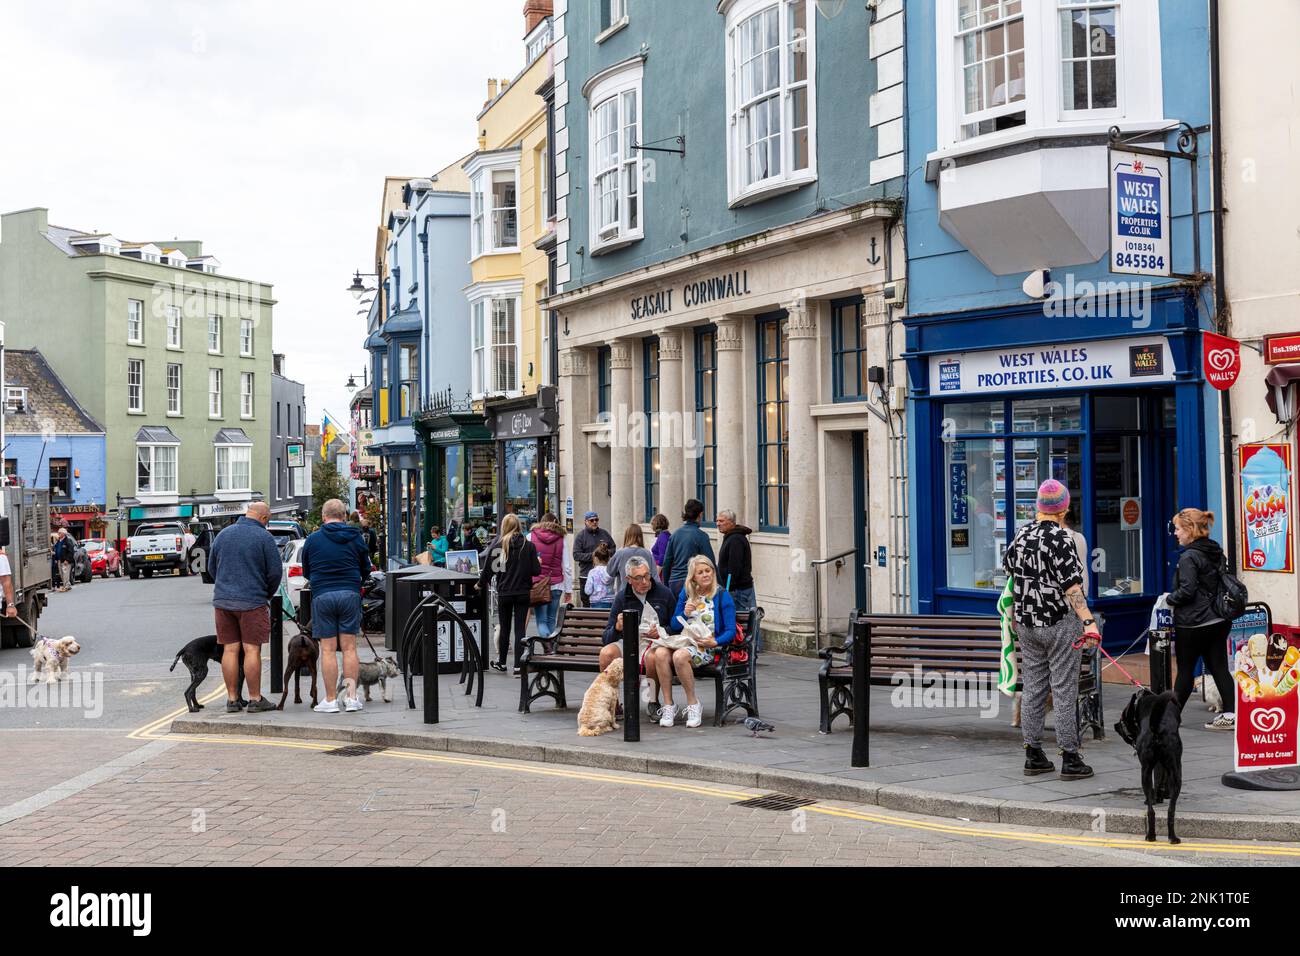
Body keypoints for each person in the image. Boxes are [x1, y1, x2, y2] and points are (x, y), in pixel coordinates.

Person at [1001, 480, 1101, 780]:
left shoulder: (1021, 534)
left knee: (1033, 687)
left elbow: (1008, 571)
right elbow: (1072, 585)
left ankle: (1033, 754)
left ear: (1038, 507)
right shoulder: (1062, 538)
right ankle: (1070, 756)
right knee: (1064, 689)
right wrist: (1088, 621)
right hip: (1059, 622)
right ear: (1064, 508)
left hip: (1028, 623)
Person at [207, 502, 282, 713]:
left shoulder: (223, 535)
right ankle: (255, 698)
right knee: (251, 649)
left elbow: (212, 568)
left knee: (229, 649)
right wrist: (265, 593)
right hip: (252, 602)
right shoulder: (264, 538)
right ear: (264, 518)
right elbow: (275, 573)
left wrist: (224, 587)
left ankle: (232, 699)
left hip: (223, 602)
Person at [1166, 508, 1236, 731]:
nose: (1175, 533)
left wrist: (1169, 599)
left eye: (1178, 529)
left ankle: (1171, 717)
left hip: (1193, 622)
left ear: (1189, 529)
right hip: (1219, 619)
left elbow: (1187, 591)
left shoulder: (1188, 556)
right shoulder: (1215, 550)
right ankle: (1230, 715)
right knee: (1219, 668)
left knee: (1185, 670)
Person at [303, 498, 372, 714]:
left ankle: (331, 700)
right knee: (350, 648)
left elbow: (306, 571)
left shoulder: (313, 540)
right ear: (344, 516)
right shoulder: (356, 537)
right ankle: (351, 698)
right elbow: (366, 569)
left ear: (324, 517)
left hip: (323, 595)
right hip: (349, 594)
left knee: (328, 649)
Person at [655, 555, 738, 728]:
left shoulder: (722, 596)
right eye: (700, 572)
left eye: (708, 570)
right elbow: (674, 625)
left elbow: (730, 630)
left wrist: (715, 642)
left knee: (679, 657)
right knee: (660, 653)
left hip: (706, 647)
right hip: (685, 641)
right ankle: (668, 705)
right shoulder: (687, 593)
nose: (705, 574)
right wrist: (684, 612)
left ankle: (693, 704)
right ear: (693, 577)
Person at [479, 513, 541, 674]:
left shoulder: (499, 546)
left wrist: (480, 584)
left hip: (505, 592)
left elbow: (490, 571)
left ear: (504, 527)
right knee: (520, 629)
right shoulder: (528, 546)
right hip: (522, 592)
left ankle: (502, 662)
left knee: (504, 628)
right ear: (519, 526)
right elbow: (536, 570)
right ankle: (518, 666)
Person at [598, 555, 677, 678]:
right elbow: (606, 638)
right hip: (629, 643)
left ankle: (651, 697)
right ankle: (611, 697)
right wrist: (618, 627)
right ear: (628, 579)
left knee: (651, 657)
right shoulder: (622, 597)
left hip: (656, 643)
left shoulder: (664, 593)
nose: (644, 582)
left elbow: (677, 628)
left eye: (646, 575)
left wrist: (661, 631)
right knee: (606, 653)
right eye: (638, 578)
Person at [528, 512, 572, 639]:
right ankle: (553, 648)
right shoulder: (561, 538)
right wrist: (568, 590)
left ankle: (548, 648)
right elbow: (567, 567)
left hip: (538, 584)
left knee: (541, 621)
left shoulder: (531, 536)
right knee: (552, 620)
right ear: (555, 523)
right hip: (557, 584)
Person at [660, 499, 715, 596]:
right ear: (700, 515)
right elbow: (710, 562)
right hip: (693, 583)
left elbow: (667, 562)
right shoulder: (701, 536)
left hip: (675, 582)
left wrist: (666, 584)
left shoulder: (675, 535)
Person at [715, 509, 755, 613]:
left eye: (721, 521)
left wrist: (728, 589)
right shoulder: (730, 537)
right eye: (717, 521)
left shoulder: (736, 539)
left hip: (738, 590)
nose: (718, 524)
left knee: (743, 623)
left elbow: (734, 567)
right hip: (735, 589)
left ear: (731, 522)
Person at [572, 511, 615, 607]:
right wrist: (594, 556)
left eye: (596, 520)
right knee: (586, 603)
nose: (594, 522)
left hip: (604, 573)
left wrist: (604, 554)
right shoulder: (581, 536)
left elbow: (613, 548)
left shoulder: (604, 534)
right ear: (586, 522)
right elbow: (576, 555)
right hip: (586, 575)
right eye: (591, 520)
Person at [608, 524, 656, 596]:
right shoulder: (647, 553)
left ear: (627, 536)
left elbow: (610, 571)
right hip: (645, 595)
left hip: (625, 595)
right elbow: (655, 576)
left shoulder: (620, 553)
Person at [584, 543, 615, 609]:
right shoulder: (611, 571)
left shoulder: (592, 572)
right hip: (611, 603)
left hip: (596, 603)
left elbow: (588, 591)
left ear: (596, 559)